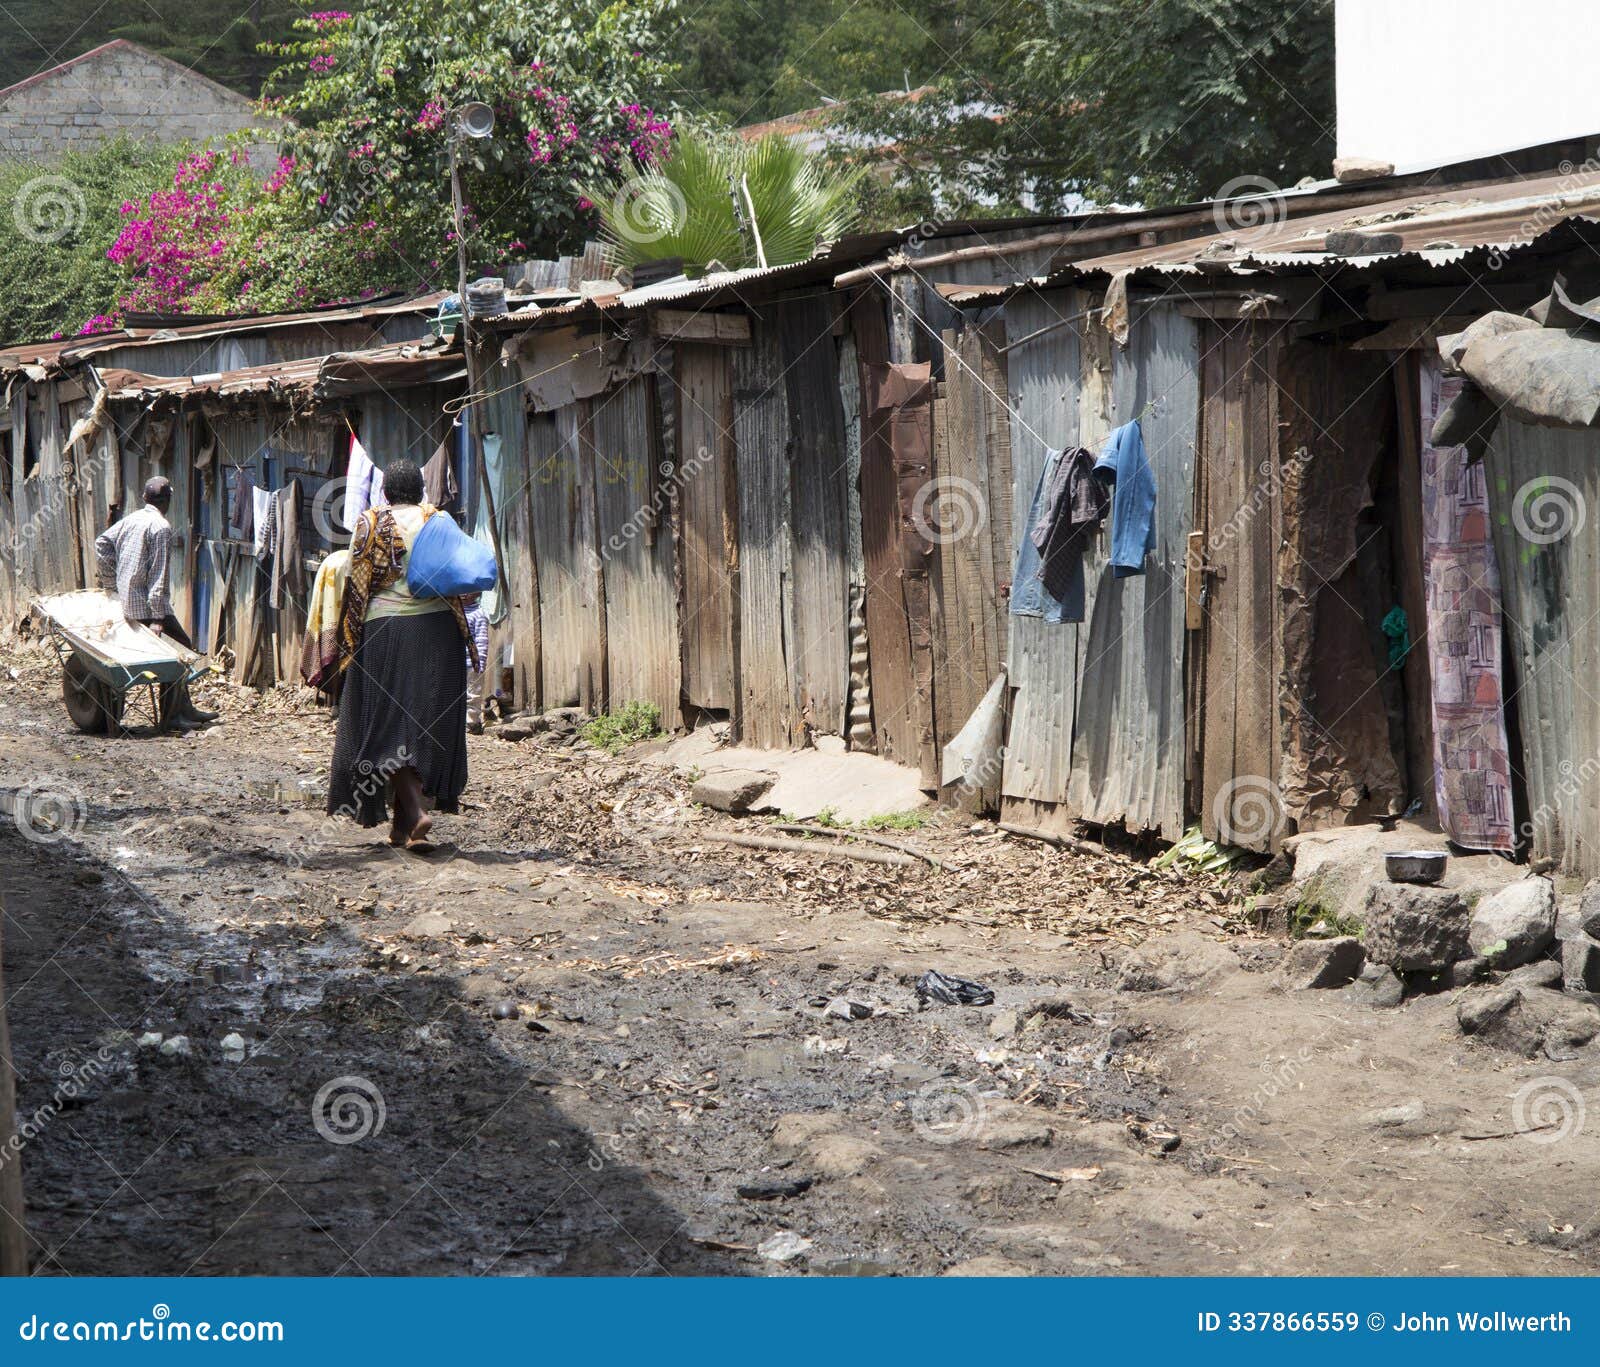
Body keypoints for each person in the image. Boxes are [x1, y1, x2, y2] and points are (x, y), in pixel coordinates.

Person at [327, 458, 480, 850]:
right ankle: (404, 828)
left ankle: (415, 812)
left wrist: (348, 638)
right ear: (422, 491)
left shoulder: (370, 522)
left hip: (388, 632)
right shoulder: (439, 521)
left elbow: (358, 584)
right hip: (441, 632)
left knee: (387, 727)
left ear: (385, 492)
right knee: (423, 725)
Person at [94, 476, 217, 729]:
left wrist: (111, 582)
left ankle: (183, 708)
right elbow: (159, 574)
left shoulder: (132, 519)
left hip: (128, 602)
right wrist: (158, 618)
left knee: (180, 649)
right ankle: (173, 716)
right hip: (147, 608)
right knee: (181, 649)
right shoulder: (160, 527)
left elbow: (101, 544)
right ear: (168, 500)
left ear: (144, 498)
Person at [463, 593, 489, 735]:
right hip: (456, 663)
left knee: (473, 694)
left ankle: (472, 722)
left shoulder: (478, 614)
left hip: (472, 663)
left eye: (468, 590)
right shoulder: (453, 612)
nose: (464, 594)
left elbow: (482, 640)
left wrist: (481, 661)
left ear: (477, 593)